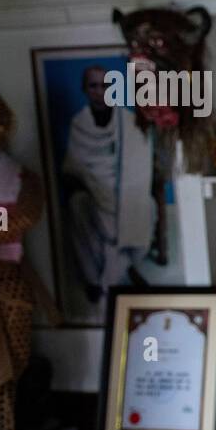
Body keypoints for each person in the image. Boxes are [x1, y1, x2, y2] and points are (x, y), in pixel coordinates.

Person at [61, 64, 154, 301]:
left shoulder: (131, 122)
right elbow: (75, 167)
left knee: (143, 207)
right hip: (93, 190)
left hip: (127, 188)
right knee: (77, 206)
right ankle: (107, 275)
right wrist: (92, 186)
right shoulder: (78, 124)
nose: (99, 91)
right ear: (84, 89)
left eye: (105, 85)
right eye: (93, 86)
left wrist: (124, 188)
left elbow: (140, 164)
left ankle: (107, 282)